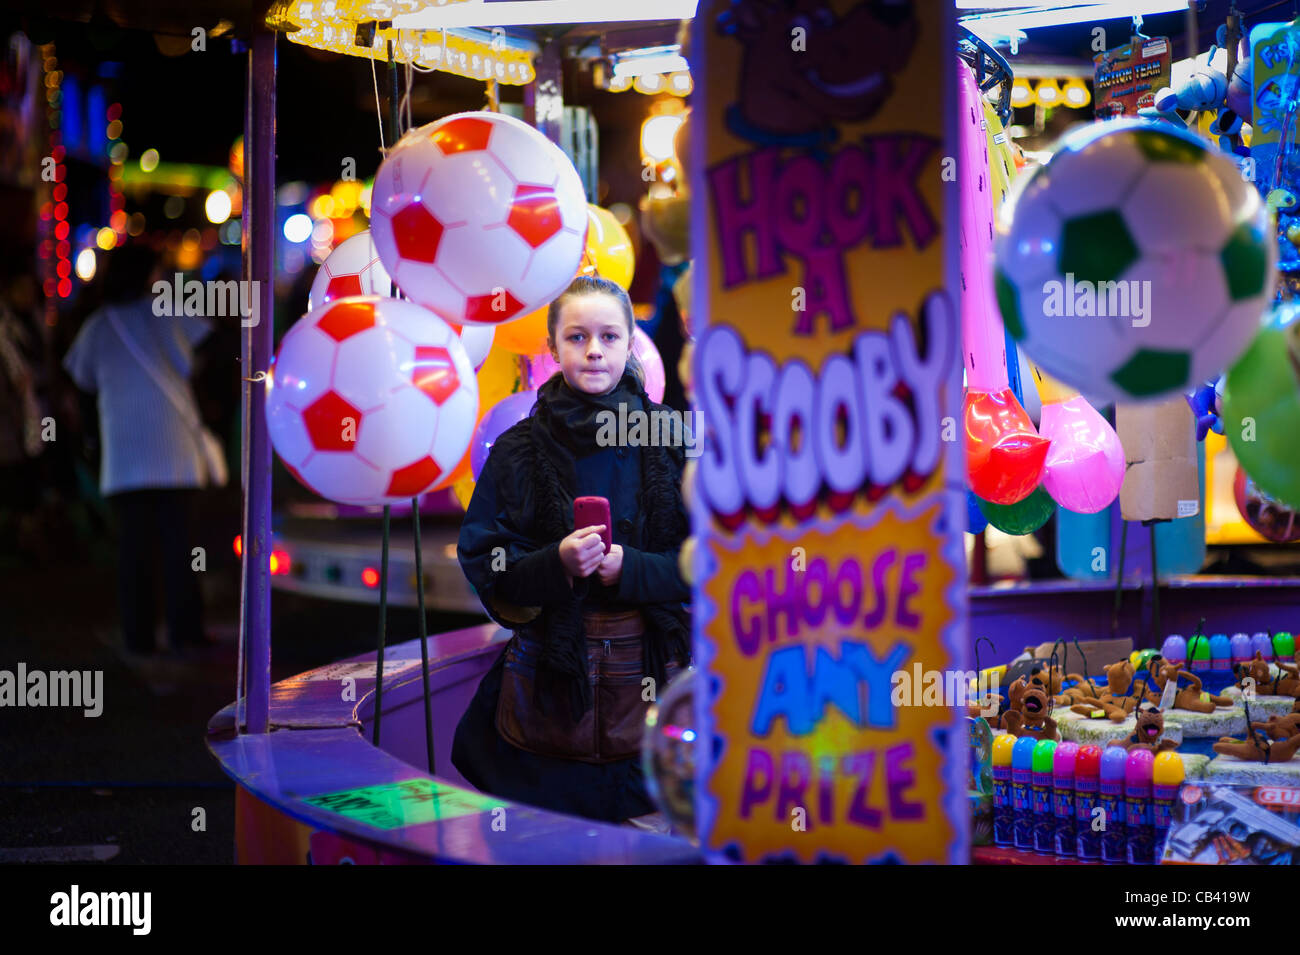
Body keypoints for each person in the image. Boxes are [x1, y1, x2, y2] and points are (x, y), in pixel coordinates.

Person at [453, 275, 692, 828]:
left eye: (609, 337)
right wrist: (554, 564)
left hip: (654, 683)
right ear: (552, 346)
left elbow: (712, 559)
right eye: (577, 336)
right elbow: (485, 562)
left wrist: (633, 569)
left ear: (630, 343)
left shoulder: (673, 437)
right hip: (547, 696)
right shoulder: (518, 447)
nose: (593, 351)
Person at [62, 243, 218, 658]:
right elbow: (204, 352)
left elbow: (81, 380)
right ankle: (186, 629)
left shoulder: (98, 325)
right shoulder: (168, 311)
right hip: (175, 453)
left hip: (125, 456)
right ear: (149, 273)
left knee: (134, 550)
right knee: (179, 545)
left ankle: (139, 635)